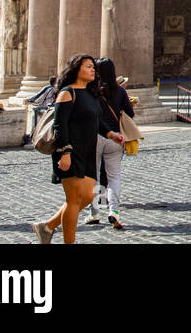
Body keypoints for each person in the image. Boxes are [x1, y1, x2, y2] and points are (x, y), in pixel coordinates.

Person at [33, 54, 106, 243]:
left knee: (89, 196)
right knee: (73, 200)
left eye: (94, 68)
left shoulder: (91, 93)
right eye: (89, 66)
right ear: (76, 70)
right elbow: (60, 125)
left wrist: (112, 134)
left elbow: (96, 121)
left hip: (88, 151)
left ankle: (47, 226)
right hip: (70, 150)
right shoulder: (66, 93)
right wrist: (65, 152)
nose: (93, 70)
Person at [84, 58, 134, 229]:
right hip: (115, 137)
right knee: (114, 177)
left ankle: (94, 213)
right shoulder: (119, 90)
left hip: (94, 136)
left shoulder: (92, 90)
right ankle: (114, 211)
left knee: (93, 176)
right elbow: (130, 113)